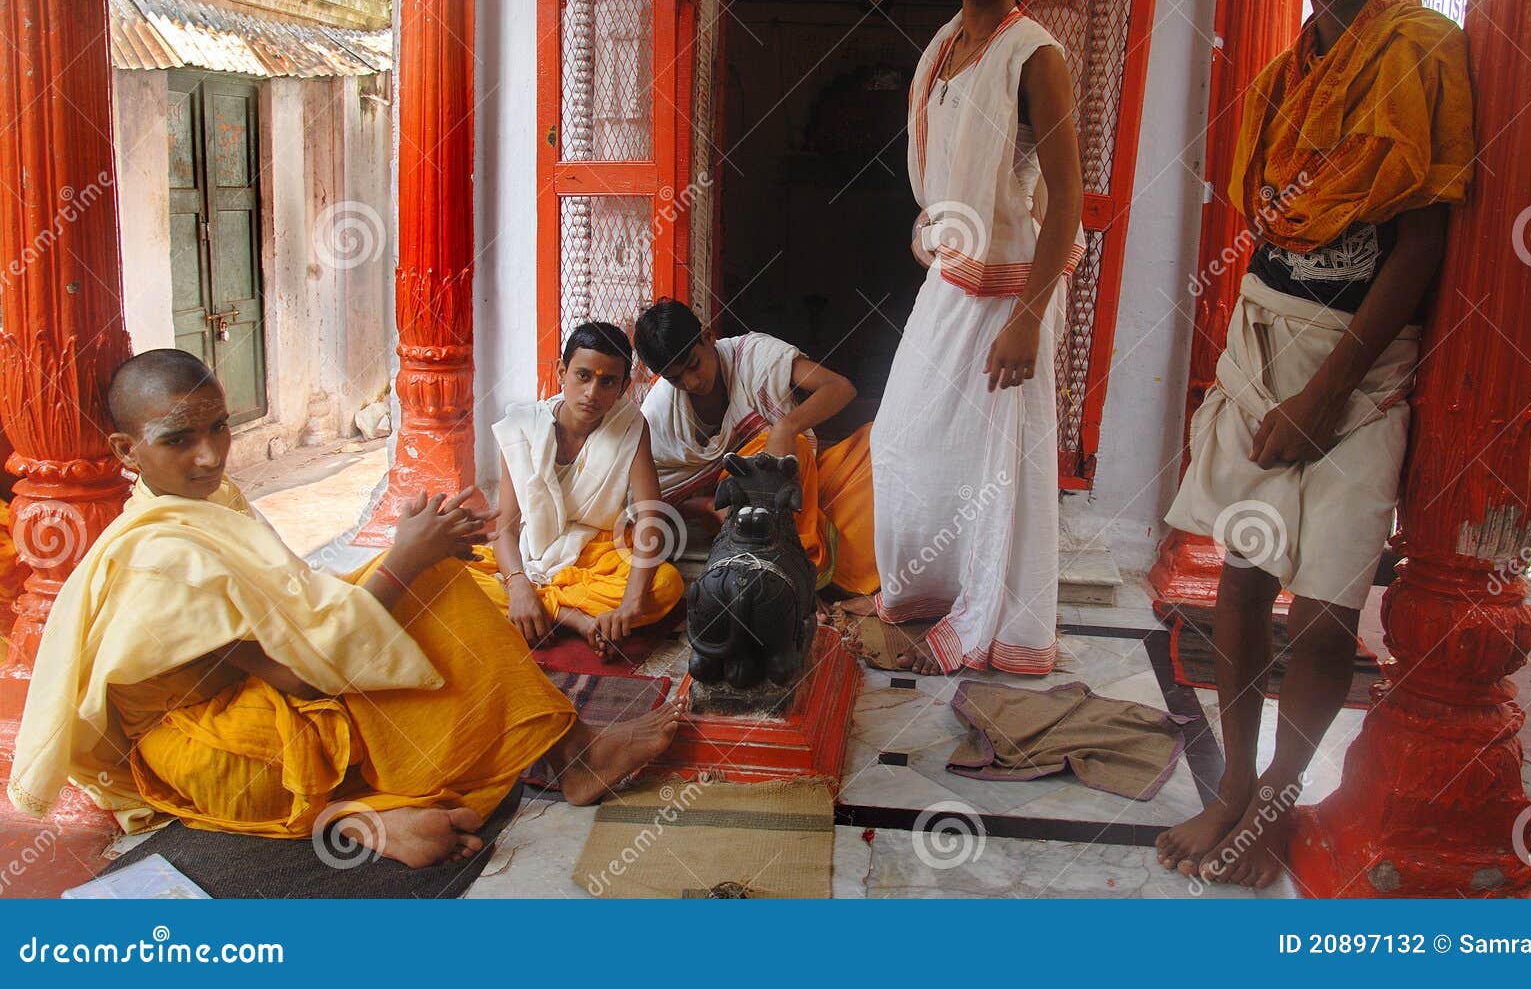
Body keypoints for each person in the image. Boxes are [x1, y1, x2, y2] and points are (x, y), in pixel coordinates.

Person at [7, 349, 685, 868]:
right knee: (418, 604)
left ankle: (570, 752)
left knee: (448, 587)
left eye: (218, 427)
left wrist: (420, 558)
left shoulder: (201, 505)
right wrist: (404, 559)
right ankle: (358, 818)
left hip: (264, 689)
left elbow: (297, 605)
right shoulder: (162, 555)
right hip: (221, 750)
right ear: (127, 451)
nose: (211, 453)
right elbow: (306, 672)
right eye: (178, 438)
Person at [1157, 0, 1475, 888]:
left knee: (1330, 601)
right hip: (1267, 336)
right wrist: (1260, 369)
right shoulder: (1280, 77)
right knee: (1242, 580)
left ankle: (1279, 805)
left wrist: (1324, 392)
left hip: (1361, 362)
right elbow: (1271, 234)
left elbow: (1423, 243)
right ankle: (1234, 790)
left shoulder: (1421, 50)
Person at [870, 0, 1086, 676]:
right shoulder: (944, 45)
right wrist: (930, 217)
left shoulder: (1036, 54)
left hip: (1011, 289)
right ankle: (932, 589)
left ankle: (997, 618)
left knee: (1001, 460)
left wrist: (1030, 316)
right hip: (952, 278)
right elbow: (943, 166)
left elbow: (1066, 194)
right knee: (904, 439)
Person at [634, 297, 879, 597]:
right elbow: (647, 500)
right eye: (675, 378)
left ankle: (800, 565)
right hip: (736, 519)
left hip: (799, 493)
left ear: (708, 336)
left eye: (693, 365)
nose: (691, 382)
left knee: (874, 447)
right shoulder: (659, 412)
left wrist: (785, 427)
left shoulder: (751, 355)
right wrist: (706, 506)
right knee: (760, 459)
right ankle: (786, 570)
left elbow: (840, 388)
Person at [479, 322, 683, 659]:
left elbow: (650, 520)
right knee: (446, 574)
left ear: (623, 387)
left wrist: (631, 605)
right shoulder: (521, 427)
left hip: (598, 552)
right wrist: (517, 584)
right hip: (533, 549)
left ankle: (541, 607)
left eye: (607, 382)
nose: (592, 393)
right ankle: (572, 618)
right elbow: (505, 527)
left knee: (665, 585)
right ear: (562, 371)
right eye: (583, 376)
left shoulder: (630, 425)